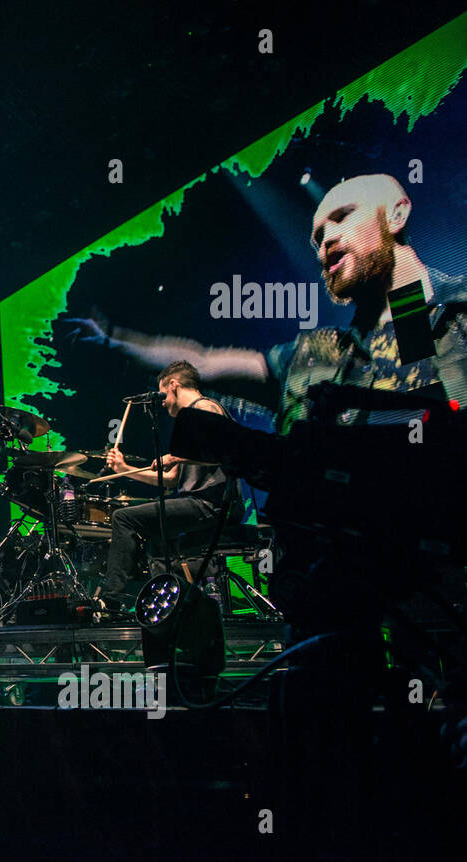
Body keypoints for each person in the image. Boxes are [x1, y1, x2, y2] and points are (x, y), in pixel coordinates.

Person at [63, 174, 467, 433]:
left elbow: (416, 340)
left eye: (343, 216)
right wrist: (110, 341)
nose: (324, 240)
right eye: (316, 236)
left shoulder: (456, 314)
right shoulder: (313, 355)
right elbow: (200, 363)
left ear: (396, 214)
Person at [97, 361, 243, 612]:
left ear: (173, 385)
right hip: (199, 503)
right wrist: (124, 470)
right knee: (151, 534)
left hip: (211, 503)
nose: (162, 402)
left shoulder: (204, 408)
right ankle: (170, 607)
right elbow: (172, 479)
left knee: (123, 518)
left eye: (163, 392)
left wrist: (175, 456)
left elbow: (225, 454)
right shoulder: (191, 418)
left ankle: (111, 599)